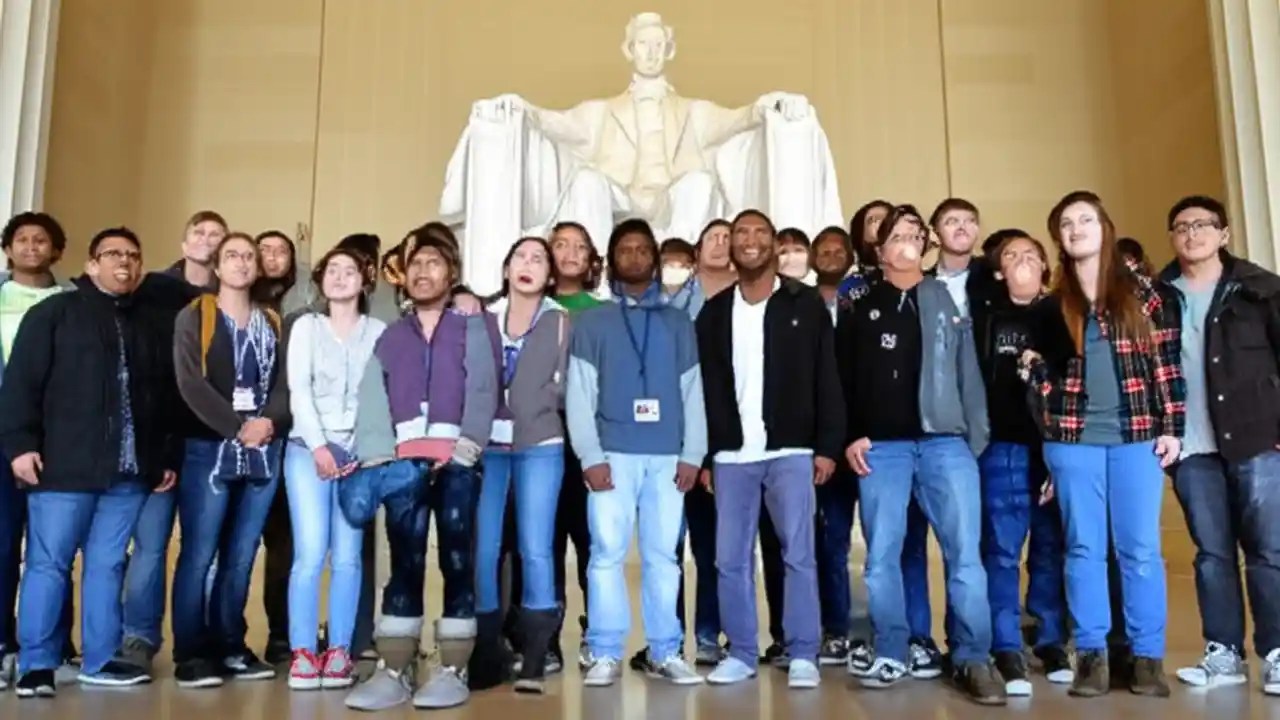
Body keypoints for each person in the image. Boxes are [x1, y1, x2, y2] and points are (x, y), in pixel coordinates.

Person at [0, 227, 183, 696]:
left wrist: (162, 455)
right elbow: (20, 384)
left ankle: (99, 660)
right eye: (113, 254)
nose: (124, 262)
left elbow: (161, 397)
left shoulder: (147, 323)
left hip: (128, 474)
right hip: (64, 468)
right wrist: (20, 445)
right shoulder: (53, 313)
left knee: (108, 566)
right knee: (47, 564)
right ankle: (36, 665)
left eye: (133, 255)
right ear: (91, 264)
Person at [836, 204, 1003, 704]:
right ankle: (892, 647)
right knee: (882, 557)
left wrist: (972, 441)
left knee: (963, 555)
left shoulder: (945, 299)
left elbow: (968, 377)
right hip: (882, 449)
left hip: (945, 445)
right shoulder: (860, 306)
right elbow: (842, 380)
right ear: (879, 249)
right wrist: (851, 434)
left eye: (915, 233)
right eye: (897, 235)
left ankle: (974, 657)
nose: (908, 241)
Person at [1020, 190, 1184, 698]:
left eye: (1085, 219)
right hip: (1073, 441)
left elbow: (1169, 368)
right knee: (1084, 548)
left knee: (1139, 549)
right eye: (1065, 223)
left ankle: (1146, 658)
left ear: (1104, 227)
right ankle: (1090, 655)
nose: (1075, 229)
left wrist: (1171, 427)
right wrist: (1046, 403)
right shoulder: (1052, 307)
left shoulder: (1147, 294)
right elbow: (1034, 371)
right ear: (1060, 239)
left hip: (1136, 436)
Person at [341, 228, 497, 711]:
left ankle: (452, 667)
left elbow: (485, 386)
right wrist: (380, 457)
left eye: (434, 263)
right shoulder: (391, 335)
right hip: (403, 464)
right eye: (415, 265)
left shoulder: (474, 325)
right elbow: (372, 398)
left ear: (452, 275)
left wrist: (468, 447)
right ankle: (394, 667)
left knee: (455, 559)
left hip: (457, 461)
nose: (423, 272)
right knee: (404, 561)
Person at [696, 209, 844, 690]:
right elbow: (704, 389)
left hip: (793, 450)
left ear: (776, 244)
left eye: (761, 232)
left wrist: (826, 446)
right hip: (732, 455)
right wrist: (705, 456)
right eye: (741, 233)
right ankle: (740, 650)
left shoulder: (804, 304)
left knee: (798, 553)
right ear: (732, 245)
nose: (750, 240)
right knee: (729, 559)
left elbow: (828, 377)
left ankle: (803, 651)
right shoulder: (714, 312)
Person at [566, 218, 706, 688]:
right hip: (612, 454)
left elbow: (693, 392)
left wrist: (694, 454)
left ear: (655, 258)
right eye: (624, 249)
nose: (634, 256)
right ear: (611, 261)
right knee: (605, 554)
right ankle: (604, 650)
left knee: (664, 556)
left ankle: (666, 650)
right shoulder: (593, 322)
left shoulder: (678, 321)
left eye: (643, 249)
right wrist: (590, 456)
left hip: (668, 456)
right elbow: (580, 396)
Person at [1157, 196, 1280, 694]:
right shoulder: (1158, 296)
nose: (1192, 234)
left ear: (1224, 234)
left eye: (1204, 224)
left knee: (1269, 549)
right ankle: (1223, 653)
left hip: (1257, 438)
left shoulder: (1260, 290)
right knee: (1212, 554)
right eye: (1182, 226)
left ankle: (1275, 652)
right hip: (1191, 446)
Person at [170, 232, 289, 688]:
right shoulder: (195, 316)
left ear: (258, 268)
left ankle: (231, 643)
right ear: (217, 267)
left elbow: (283, 382)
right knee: (200, 553)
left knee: (241, 554)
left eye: (249, 257)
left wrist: (268, 423)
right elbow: (190, 381)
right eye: (232, 256)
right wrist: (237, 426)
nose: (241, 263)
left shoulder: (272, 322)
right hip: (209, 448)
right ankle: (192, 651)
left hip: (264, 448)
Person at [121, 211, 229, 671]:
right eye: (199, 233)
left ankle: (198, 641)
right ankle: (139, 639)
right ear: (184, 243)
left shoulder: (233, 297)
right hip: (159, 434)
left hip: (210, 437)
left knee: (205, 547)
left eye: (216, 236)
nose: (206, 241)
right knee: (150, 544)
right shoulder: (152, 291)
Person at [472, 237, 571, 694]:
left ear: (550, 274)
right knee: (486, 545)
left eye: (538, 259)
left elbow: (571, 384)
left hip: (541, 443)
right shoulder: (481, 319)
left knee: (536, 547)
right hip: (487, 446)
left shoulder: (560, 322)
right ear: (506, 268)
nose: (527, 265)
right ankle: (487, 647)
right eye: (520, 258)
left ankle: (535, 653)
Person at [284, 246, 385, 690]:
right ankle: (303, 651)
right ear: (321, 281)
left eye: (351, 271)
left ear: (365, 282)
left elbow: (380, 397)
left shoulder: (379, 331)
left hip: (358, 455)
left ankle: (340, 650)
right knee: (309, 553)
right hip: (308, 450)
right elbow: (298, 392)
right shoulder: (306, 327)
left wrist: (360, 451)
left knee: (347, 557)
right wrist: (321, 446)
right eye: (333, 271)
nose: (341, 277)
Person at [977, 230, 1071, 693]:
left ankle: (1051, 638)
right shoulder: (986, 316)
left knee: (1051, 546)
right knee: (1002, 549)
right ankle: (1005, 643)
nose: (1023, 261)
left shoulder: (1062, 313)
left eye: (1032, 254)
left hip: (1055, 445)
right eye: (1012, 256)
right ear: (998, 270)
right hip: (1003, 445)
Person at [0, 212, 77, 690]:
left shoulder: (72, 302)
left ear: (57, 250)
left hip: (55, 440)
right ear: (8, 249)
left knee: (54, 547)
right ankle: (4, 643)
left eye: (41, 240)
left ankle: (54, 644)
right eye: (21, 240)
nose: (31, 247)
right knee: (4, 543)